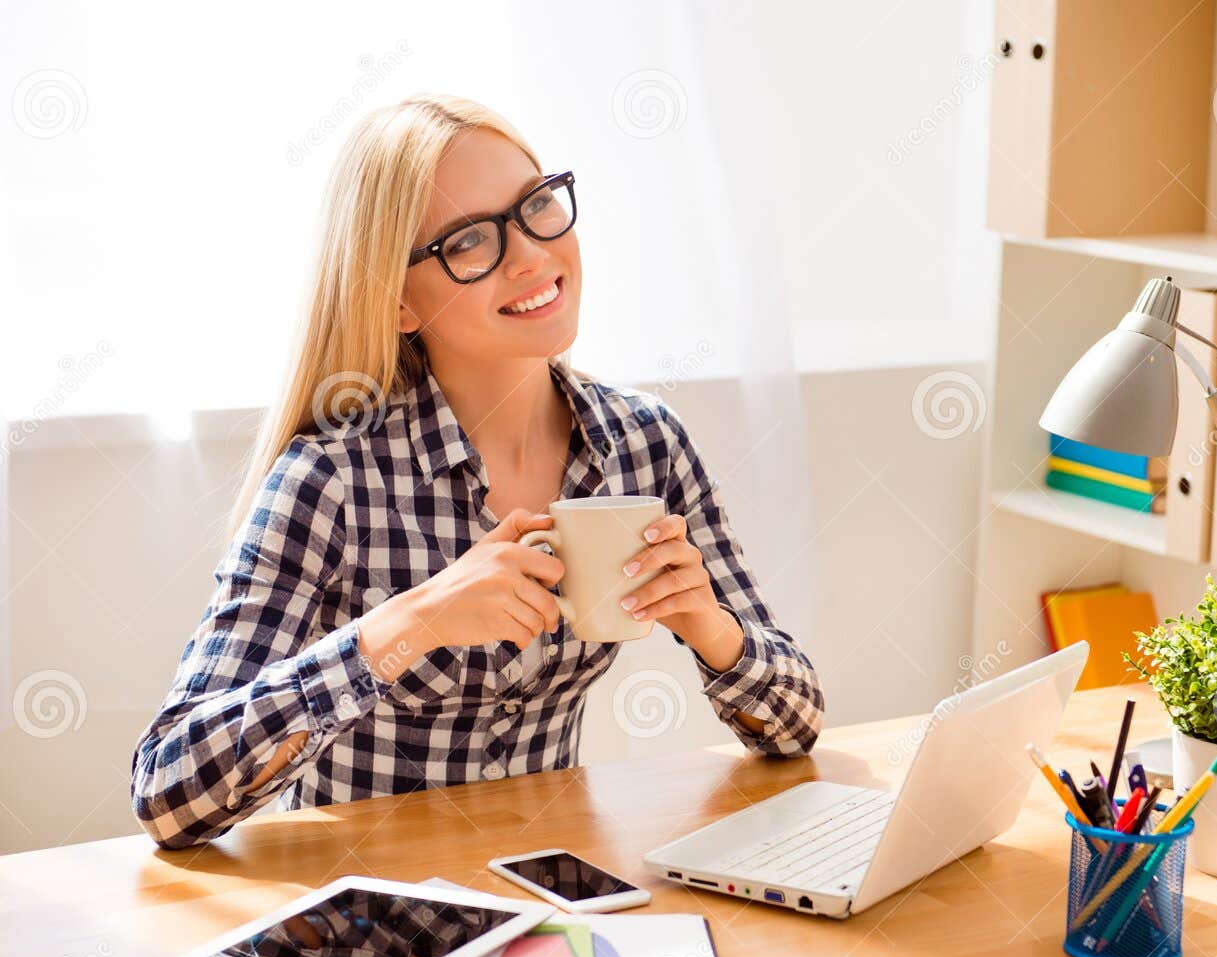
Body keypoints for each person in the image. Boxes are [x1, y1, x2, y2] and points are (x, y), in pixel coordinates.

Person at [130, 94, 824, 850]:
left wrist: (708, 625)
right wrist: (410, 623)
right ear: (396, 300)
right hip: (364, 923)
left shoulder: (645, 444)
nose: (530, 255)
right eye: (468, 242)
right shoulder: (329, 478)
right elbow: (169, 792)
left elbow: (795, 727)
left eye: (536, 207)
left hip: (551, 902)